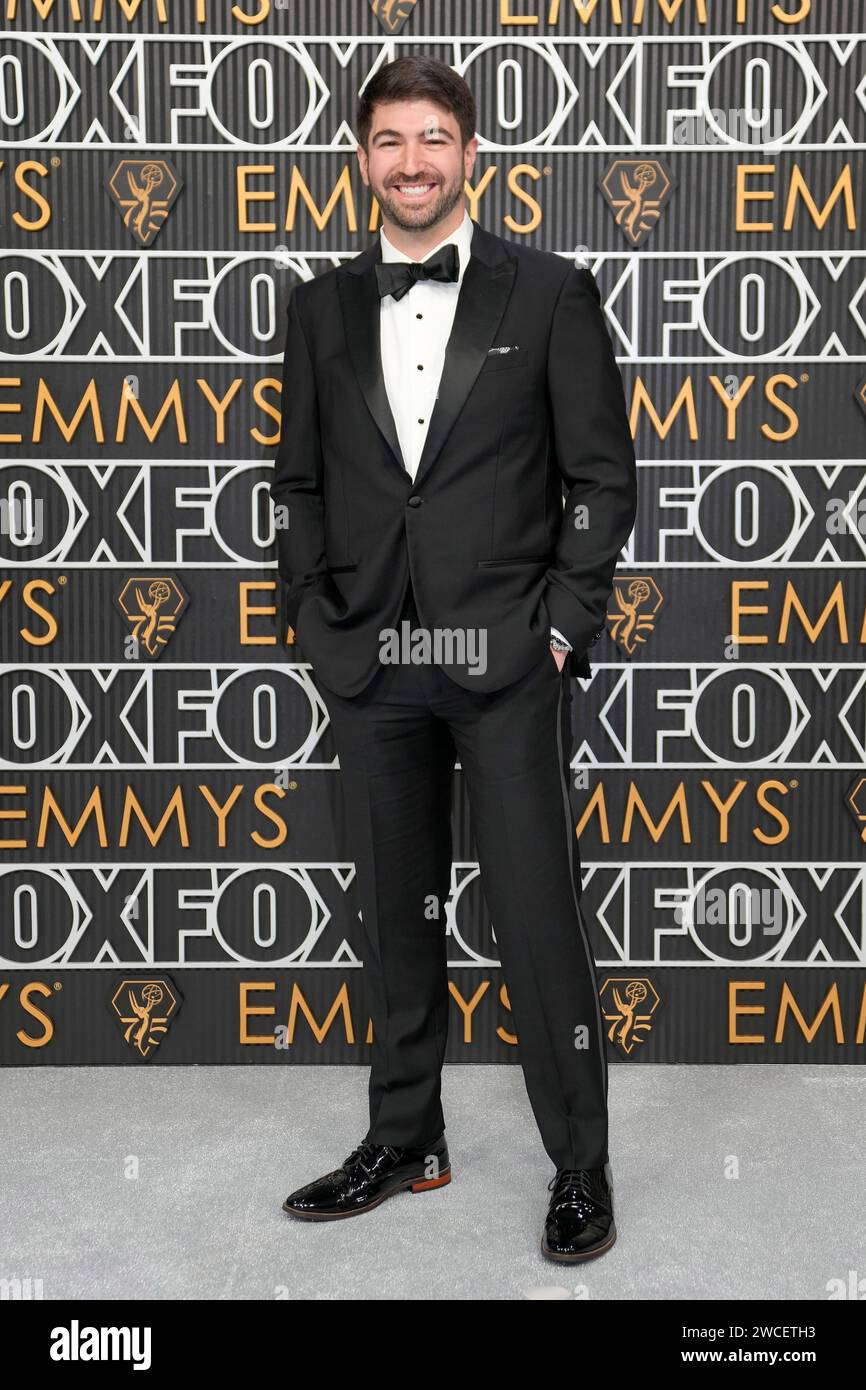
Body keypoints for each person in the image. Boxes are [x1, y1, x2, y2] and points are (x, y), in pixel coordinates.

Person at [272, 55, 637, 1263]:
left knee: (535, 919)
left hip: (505, 659)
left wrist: (561, 625)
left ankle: (578, 1166)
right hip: (373, 660)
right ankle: (404, 1137)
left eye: (434, 138)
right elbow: (302, 485)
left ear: (471, 154)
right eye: (389, 140)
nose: (412, 162)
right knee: (395, 916)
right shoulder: (318, 308)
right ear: (361, 160)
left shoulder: (547, 294)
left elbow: (600, 477)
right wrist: (314, 623)